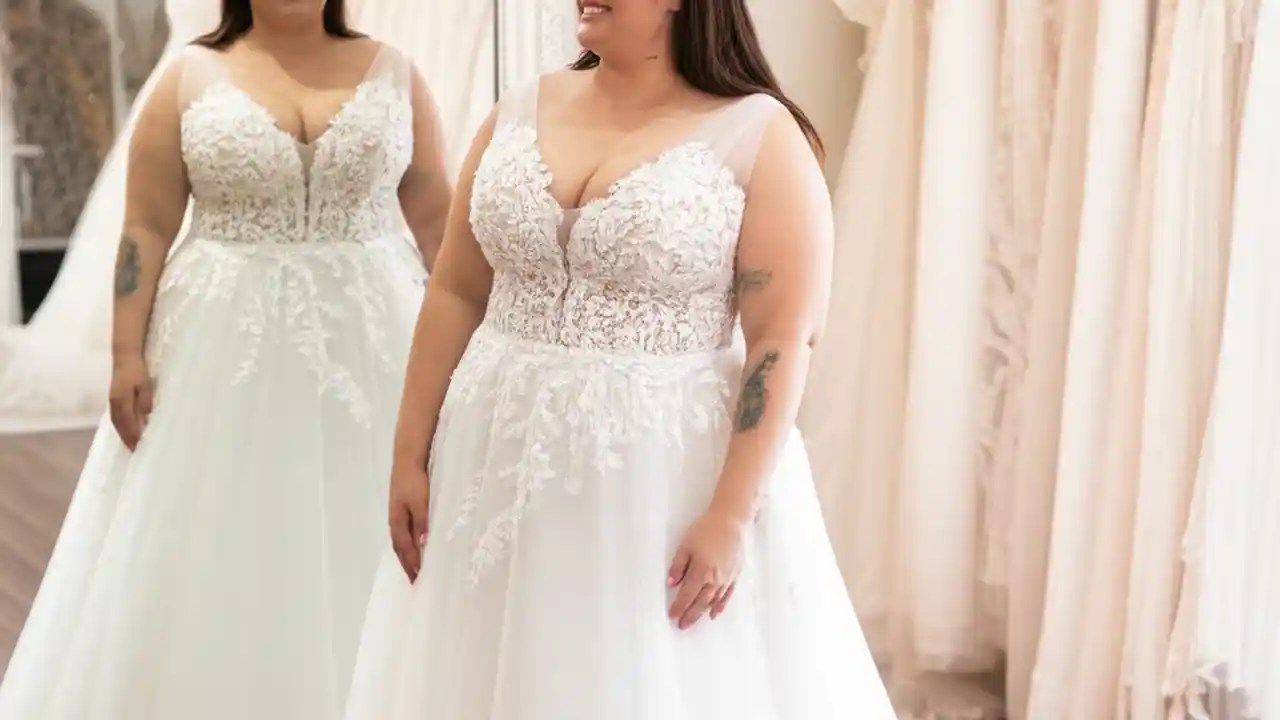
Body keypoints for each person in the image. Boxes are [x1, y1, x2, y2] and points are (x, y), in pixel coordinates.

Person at [345, 0, 895, 716]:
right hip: (492, 465)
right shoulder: (518, 111)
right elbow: (455, 290)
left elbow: (781, 339)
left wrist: (731, 515)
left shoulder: (760, 135)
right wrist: (409, 454)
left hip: (660, 484)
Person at [0, 0, 450, 716]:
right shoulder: (188, 76)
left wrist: (463, 351)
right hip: (221, 346)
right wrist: (125, 353)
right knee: (217, 537)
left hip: (375, 341)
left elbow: (436, 220)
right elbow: (146, 227)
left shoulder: (396, 73)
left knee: (369, 532)